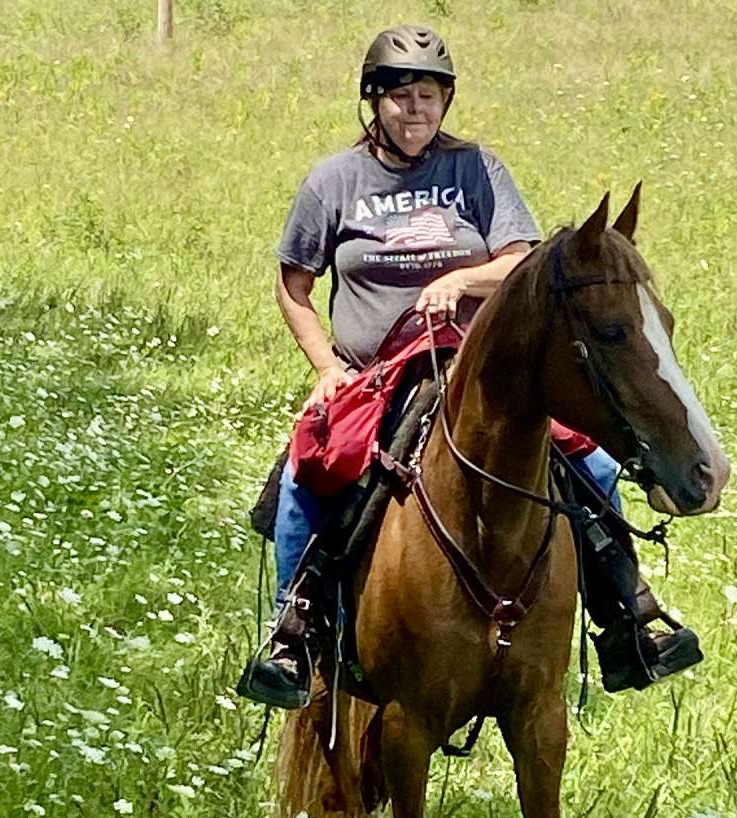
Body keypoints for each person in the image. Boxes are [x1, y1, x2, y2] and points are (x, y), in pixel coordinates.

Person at [242, 25, 701, 709]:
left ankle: (628, 617)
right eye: (400, 97)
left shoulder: (478, 169)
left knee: (592, 462)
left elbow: (523, 262)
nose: (416, 110)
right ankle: (294, 630)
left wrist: (463, 282)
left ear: (445, 101)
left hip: (476, 364)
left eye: (429, 96)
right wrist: (324, 366)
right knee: (313, 463)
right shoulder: (334, 181)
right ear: (374, 101)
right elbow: (294, 285)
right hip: (375, 370)